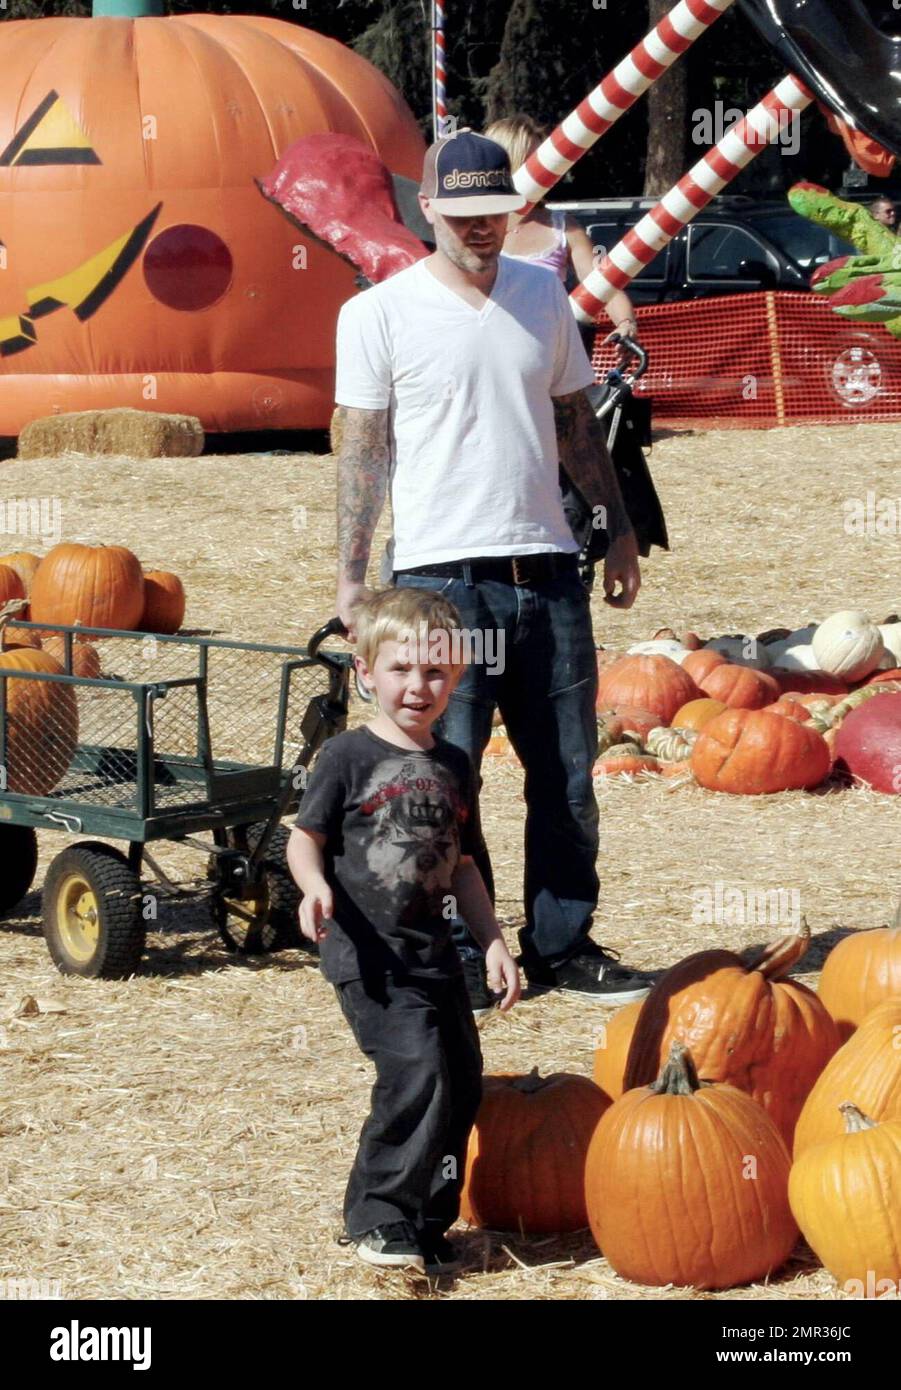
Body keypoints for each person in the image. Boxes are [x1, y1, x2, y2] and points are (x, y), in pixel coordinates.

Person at [333, 127, 655, 1009]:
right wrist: (352, 581)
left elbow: (574, 422)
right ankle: (452, 954)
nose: (479, 227)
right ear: (427, 207)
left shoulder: (543, 297)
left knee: (565, 772)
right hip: (441, 583)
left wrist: (615, 529)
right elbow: (361, 452)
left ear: (514, 209)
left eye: (494, 212)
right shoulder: (376, 315)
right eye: (462, 212)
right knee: (443, 777)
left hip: (545, 569)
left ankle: (563, 943)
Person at [287, 586, 520, 1275]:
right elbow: (303, 838)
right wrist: (316, 885)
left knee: (461, 1079)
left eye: (435, 673)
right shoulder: (345, 758)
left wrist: (493, 940)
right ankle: (377, 1214)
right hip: (369, 955)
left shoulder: (454, 765)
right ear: (365, 672)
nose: (417, 685)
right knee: (415, 1071)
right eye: (401, 669)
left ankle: (423, 1220)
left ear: (455, 679)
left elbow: (466, 865)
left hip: (435, 954)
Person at [484, 114, 639, 348]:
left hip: (548, 357)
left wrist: (626, 323)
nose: (545, 173)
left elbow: (602, 283)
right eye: (532, 164)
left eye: (545, 163)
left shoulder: (564, 228)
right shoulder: (474, 225)